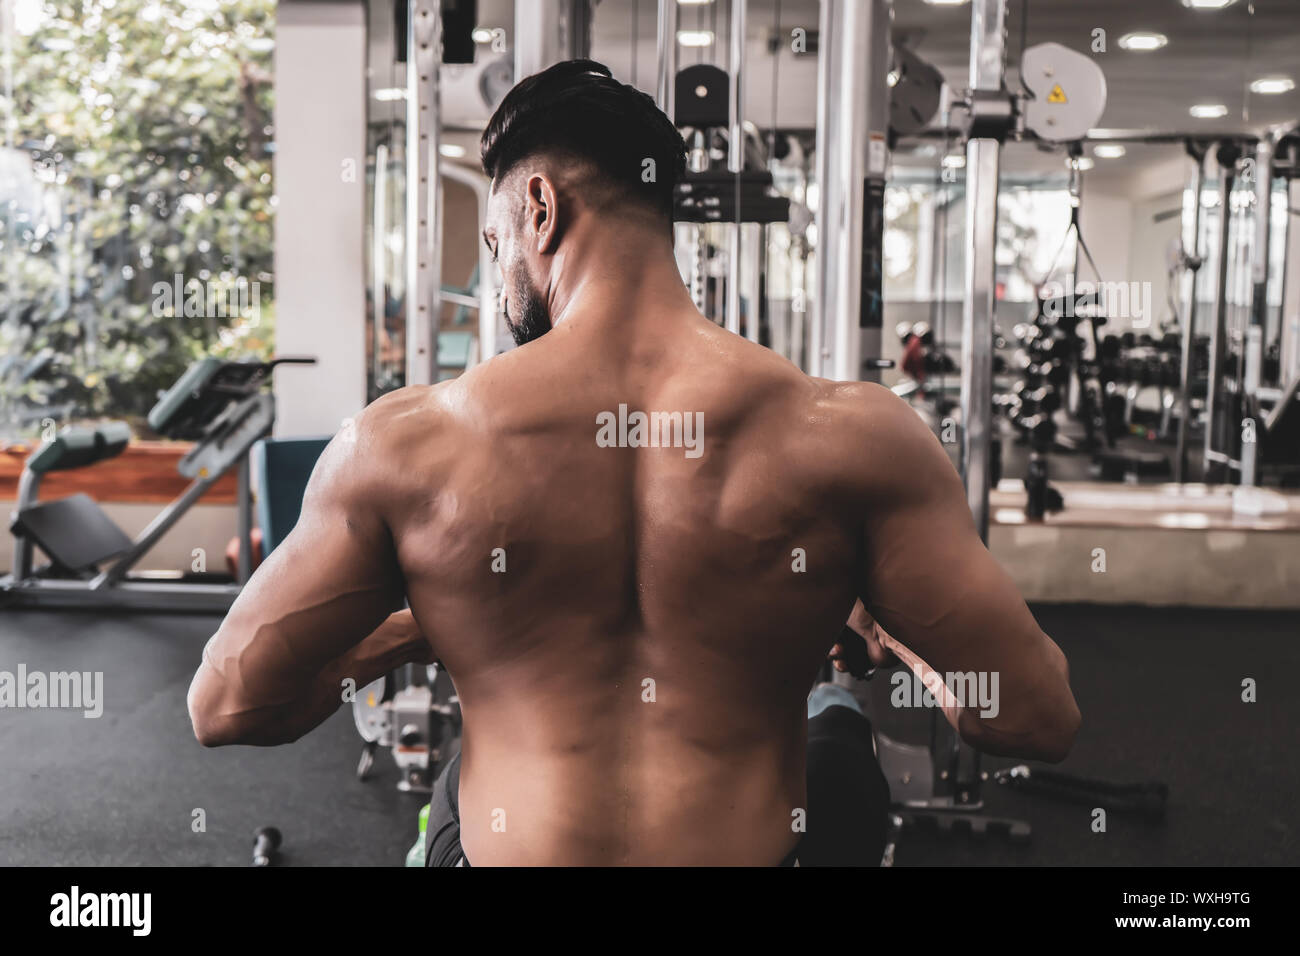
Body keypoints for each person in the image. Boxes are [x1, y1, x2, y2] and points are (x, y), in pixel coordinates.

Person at [188, 59, 1080, 866]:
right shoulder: (854, 435)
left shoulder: (402, 442)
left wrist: (440, 614)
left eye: (495, 244)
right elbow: (1032, 716)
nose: (501, 274)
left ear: (537, 207)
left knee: (462, 784)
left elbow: (228, 705)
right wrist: (884, 629)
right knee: (840, 736)